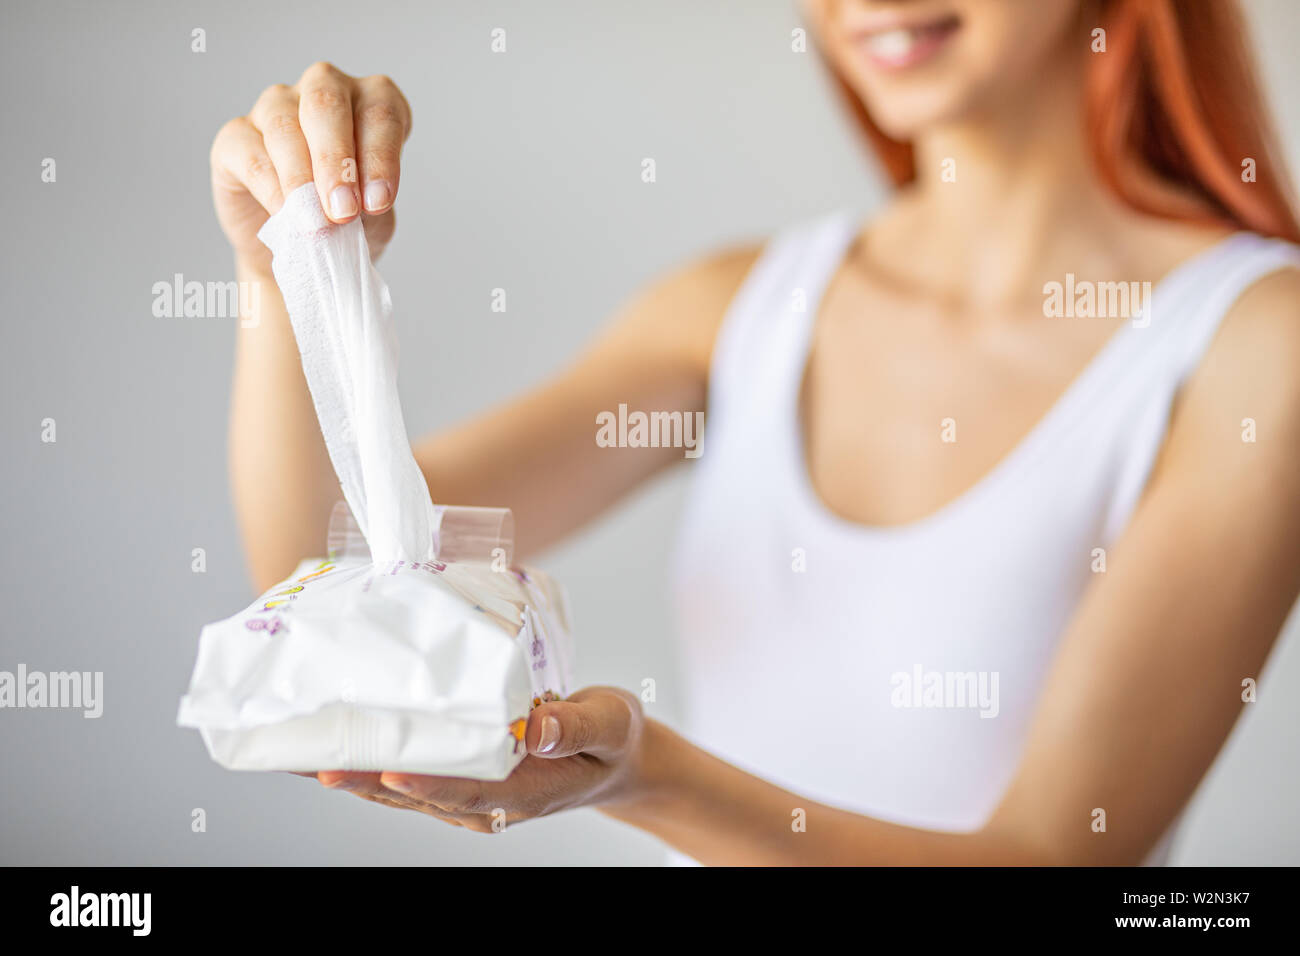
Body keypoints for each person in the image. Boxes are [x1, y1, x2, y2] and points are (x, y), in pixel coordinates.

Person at [209, 0, 1300, 864]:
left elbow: (1055, 854)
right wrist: (283, 272)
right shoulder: (738, 307)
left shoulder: (1256, 342)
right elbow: (321, 561)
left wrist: (645, 773)